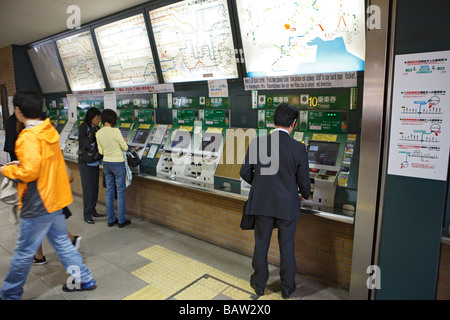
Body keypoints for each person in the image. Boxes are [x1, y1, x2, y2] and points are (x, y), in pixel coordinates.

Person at [0, 89, 95, 300]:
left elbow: (30, 172)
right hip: (54, 198)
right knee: (61, 242)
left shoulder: (28, 137)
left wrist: (7, 170)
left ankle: (10, 293)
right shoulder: (48, 131)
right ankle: (84, 278)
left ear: (17, 110)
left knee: (24, 251)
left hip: (37, 202)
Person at [240, 102, 311, 299]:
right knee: (287, 248)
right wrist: (306, 194)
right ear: (294, 123)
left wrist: (261, 185)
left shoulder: (258, 143)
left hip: (262, 204)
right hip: (287, 206)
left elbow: (244, 172)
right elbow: (304, 182)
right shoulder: (298, 148)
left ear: (273, 122)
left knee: (261, 245)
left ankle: (259, 285)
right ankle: (287, 287)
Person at [95, 109, 130, 228]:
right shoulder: (116, 131)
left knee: (109, 192)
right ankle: (121, 220)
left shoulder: (98, 133)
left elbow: (100, 151)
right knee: (120, 192)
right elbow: (125, 148)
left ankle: (110, 220)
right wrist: (124, 141)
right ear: (113, 119)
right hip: (118, 163)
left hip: (106, 163)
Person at [78, 107, 103, 224]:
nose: (98, 120)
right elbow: (82, 144)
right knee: (88, 189)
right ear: (91, 117)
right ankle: (86, 214)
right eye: (97, 118)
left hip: (95, 161)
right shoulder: (84, 126)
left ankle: (93, 209)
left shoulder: (97, 128)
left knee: (94, 188)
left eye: (99, 118)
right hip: (85, 162)